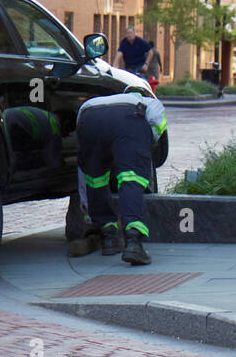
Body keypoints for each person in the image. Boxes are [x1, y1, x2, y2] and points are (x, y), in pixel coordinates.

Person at [66, 93, 167, 265]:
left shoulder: (93, 103)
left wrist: (85, 204)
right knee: (131, 179)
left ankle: (108, 237)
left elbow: (84, 170)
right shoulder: (149, 102)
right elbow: (157, 122)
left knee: (95, 178)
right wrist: (144, 145)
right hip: (128, 123)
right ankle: (134, 243)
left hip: (89, 120)